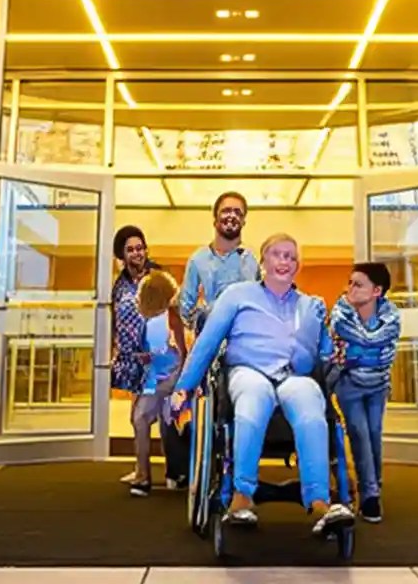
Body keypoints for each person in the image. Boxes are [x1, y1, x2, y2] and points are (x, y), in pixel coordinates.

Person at [174, 233, 356, 536]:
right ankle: (241, 497)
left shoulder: (310, 306)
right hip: (248, 370)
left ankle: (321, 503)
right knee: (252, 400)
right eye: (277, 254)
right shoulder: (238, 295)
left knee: (312, 404)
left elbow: (324, 353)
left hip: (293, 377)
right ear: (263, 262)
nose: (284, 261)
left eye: (291, 257)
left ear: (298, 266)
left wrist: (339, 350)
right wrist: (184, 386)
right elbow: (207, 343)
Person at [110, 225, 181, 487]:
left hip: (158, 358)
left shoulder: (157, 278)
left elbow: (175, 315)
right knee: (137, 416)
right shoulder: (120, 286)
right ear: (122, 255)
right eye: (130, 249)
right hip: (132, 359)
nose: (137, 253)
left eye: (140, 248)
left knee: (161, 417)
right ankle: (142, 468)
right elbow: (116, 318)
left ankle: (172, 472)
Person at [330, 262, 401, 524]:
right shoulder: (340, 313)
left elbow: (376, 344)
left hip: (378, 385)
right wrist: (367, 353)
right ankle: (369, 495)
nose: (350, 289)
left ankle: (375, 486)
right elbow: (370, 345)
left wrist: (359, 353)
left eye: (358, 284)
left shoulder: (392, 316)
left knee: (374, 434)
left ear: (377, 291)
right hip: (348, 383)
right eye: (350, 283)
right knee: (358, 433)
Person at [127, 270, 190, 497]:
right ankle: (172, 474)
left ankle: (143, 476)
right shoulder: (163, 318)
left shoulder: (167, 319)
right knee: (163, 422)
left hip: (164, 378)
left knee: (141, 418)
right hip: (166, 378)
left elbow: (179, 352)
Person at [179, 191, 259, 333]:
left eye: (237, 212)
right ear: (215, 219)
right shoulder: (197, 260)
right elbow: (185, 312)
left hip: (245, 345)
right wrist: (206, 315)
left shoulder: (251, 261)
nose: (231, 216)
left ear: (243, 221)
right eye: (226, 211)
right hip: (209, 346)